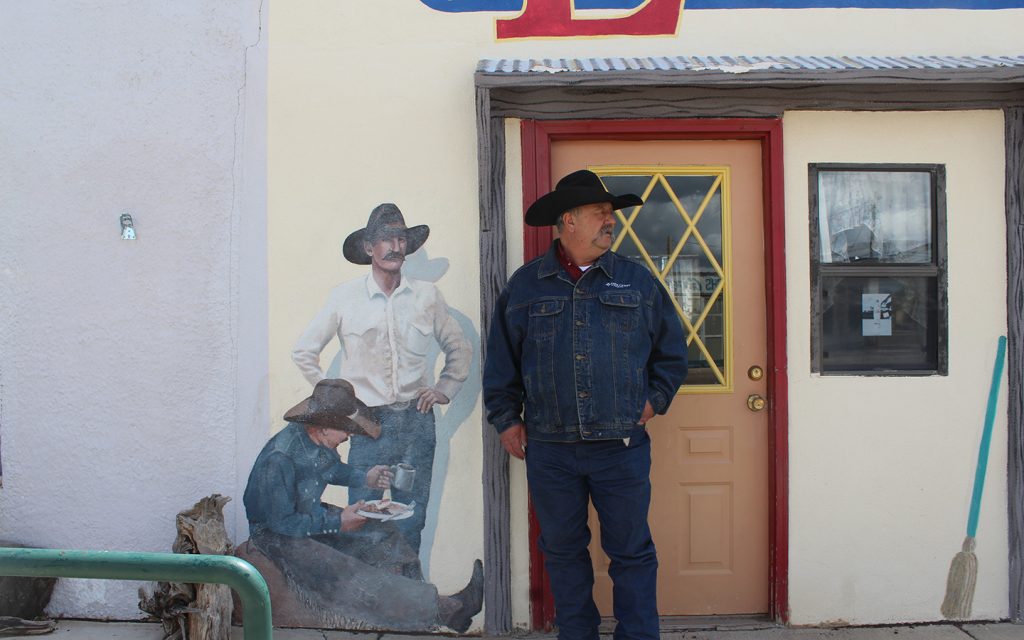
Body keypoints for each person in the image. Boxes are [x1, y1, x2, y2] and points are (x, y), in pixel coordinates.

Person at [483, 170, 688, 640]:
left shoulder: (636, 281)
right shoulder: (526, 287)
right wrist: (506, 420)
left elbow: (672, 354)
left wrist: (653, 402)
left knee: (631, 551)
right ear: (568, 221)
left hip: (620, 447)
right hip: (550, 449)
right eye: (600, 213)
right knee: (562, 551)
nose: (610, 221)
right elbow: (501, 362)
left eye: (610, 213)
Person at [292, 203, 473, 553]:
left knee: (411, 518)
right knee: (363, 515)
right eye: (386, 239)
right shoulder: (345, 297)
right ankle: (366, 589)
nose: (395, 246)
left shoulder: (427, 296)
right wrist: (338, 405)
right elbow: (304, 351)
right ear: (368, 248)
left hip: (417, 422)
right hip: (368, 424)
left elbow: (459, 347)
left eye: (401, 239)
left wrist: (444, 389)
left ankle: (408, 585)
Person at [242, 378, 483, 632]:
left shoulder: (316, 439)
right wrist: (337, 522)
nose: (349, 435)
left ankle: (420, 607)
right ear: (323, 427)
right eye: (345, 428)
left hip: (308, 517)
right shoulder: (278, 459)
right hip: (276, 536)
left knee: (382, 532)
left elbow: (332, 469)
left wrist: (365, 477)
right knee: (343, 568)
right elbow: (282, 523)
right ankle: (448, 610)